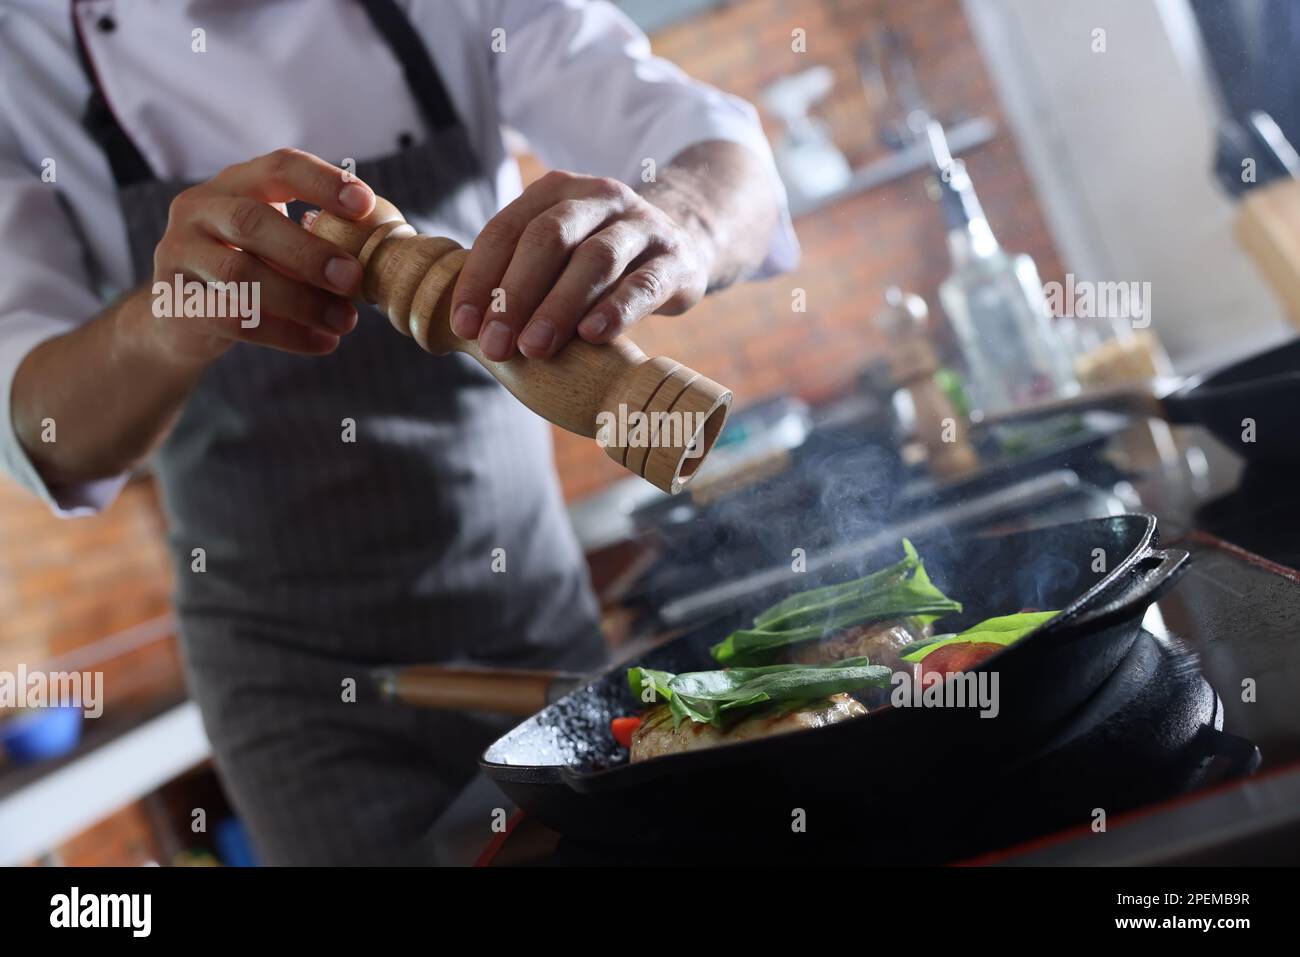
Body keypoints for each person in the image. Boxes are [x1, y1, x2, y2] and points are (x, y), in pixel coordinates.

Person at [0, 0, 794, 863]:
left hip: (531, 609)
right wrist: (159, 322)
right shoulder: (20, 53)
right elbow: (41, 427)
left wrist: (683, 217)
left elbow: (720, 148)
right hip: (296, 693)